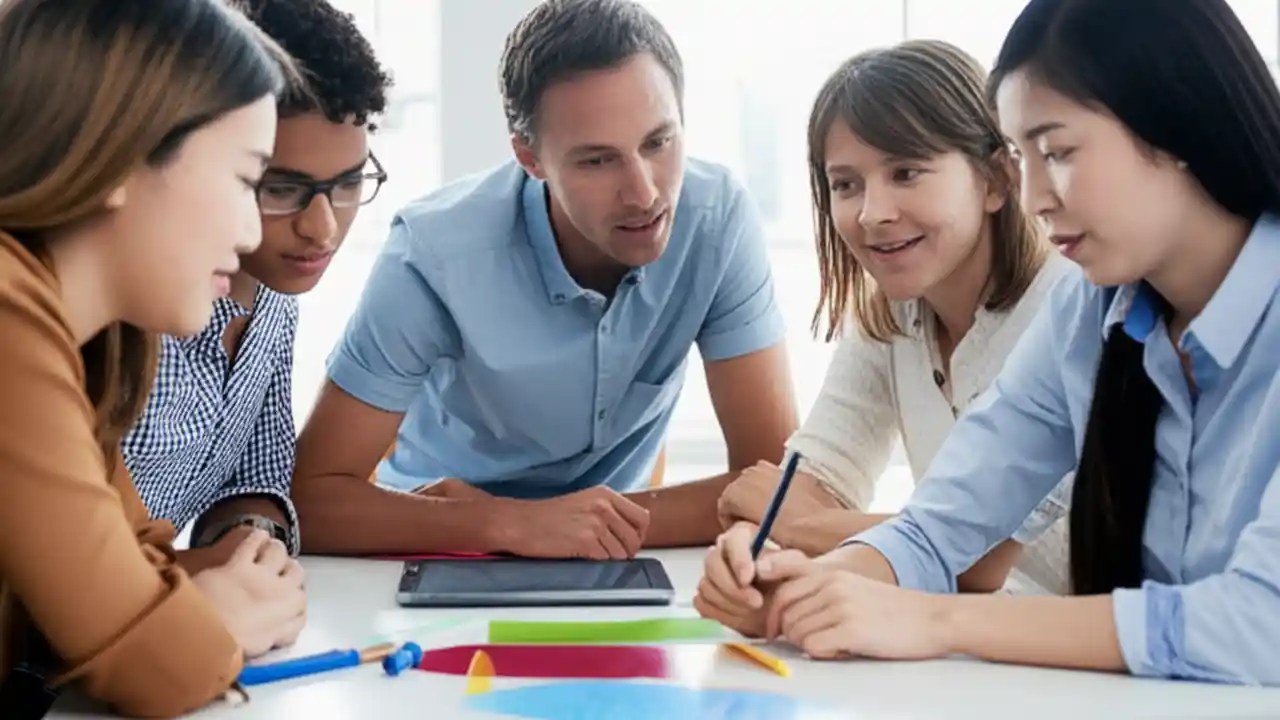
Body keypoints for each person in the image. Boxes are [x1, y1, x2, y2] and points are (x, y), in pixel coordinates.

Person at [695, 0, 1280, 686]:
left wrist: (937, 621)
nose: (1032, 197)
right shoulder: (1089, 311)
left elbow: (1259, 624)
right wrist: (807, 589)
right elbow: (934, 529)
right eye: (1020, 157)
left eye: (1057, 152)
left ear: (1177, 122)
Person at [291, 0, 797, 558]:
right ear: (529, 158)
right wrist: (504, 526)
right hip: (432, 542)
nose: (645, 193)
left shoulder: (715, 220)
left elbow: (774, 485)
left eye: (659, 142)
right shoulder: (435, 254)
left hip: (613, 552)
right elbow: (311, 502)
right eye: (597, 161)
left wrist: (581, 530)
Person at [0, 0, 306, 716]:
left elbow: (138, 563)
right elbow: (151, 664)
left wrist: (206, 603)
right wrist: (214, 619)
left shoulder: (90, 341)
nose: (251, 229)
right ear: (120, 155)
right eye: (244, 179)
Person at [714, 40, 1074, 594]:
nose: (871, 214)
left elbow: (985, 556)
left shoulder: (1066, 305)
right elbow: (803, 485)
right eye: (845, 184)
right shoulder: (891, 313)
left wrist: (803, 527)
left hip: (1112, 653)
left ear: (998, 179)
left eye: (906, 173)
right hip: (987, 651)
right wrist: (749, 549)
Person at [121, 0, 392, 570]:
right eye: (278, 189)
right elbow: (75, 564)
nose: (321, 229)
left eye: (348, 184)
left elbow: (252, 479)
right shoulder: (121, 307)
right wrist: (209, 576)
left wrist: (251, 539)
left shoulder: (273, 299)